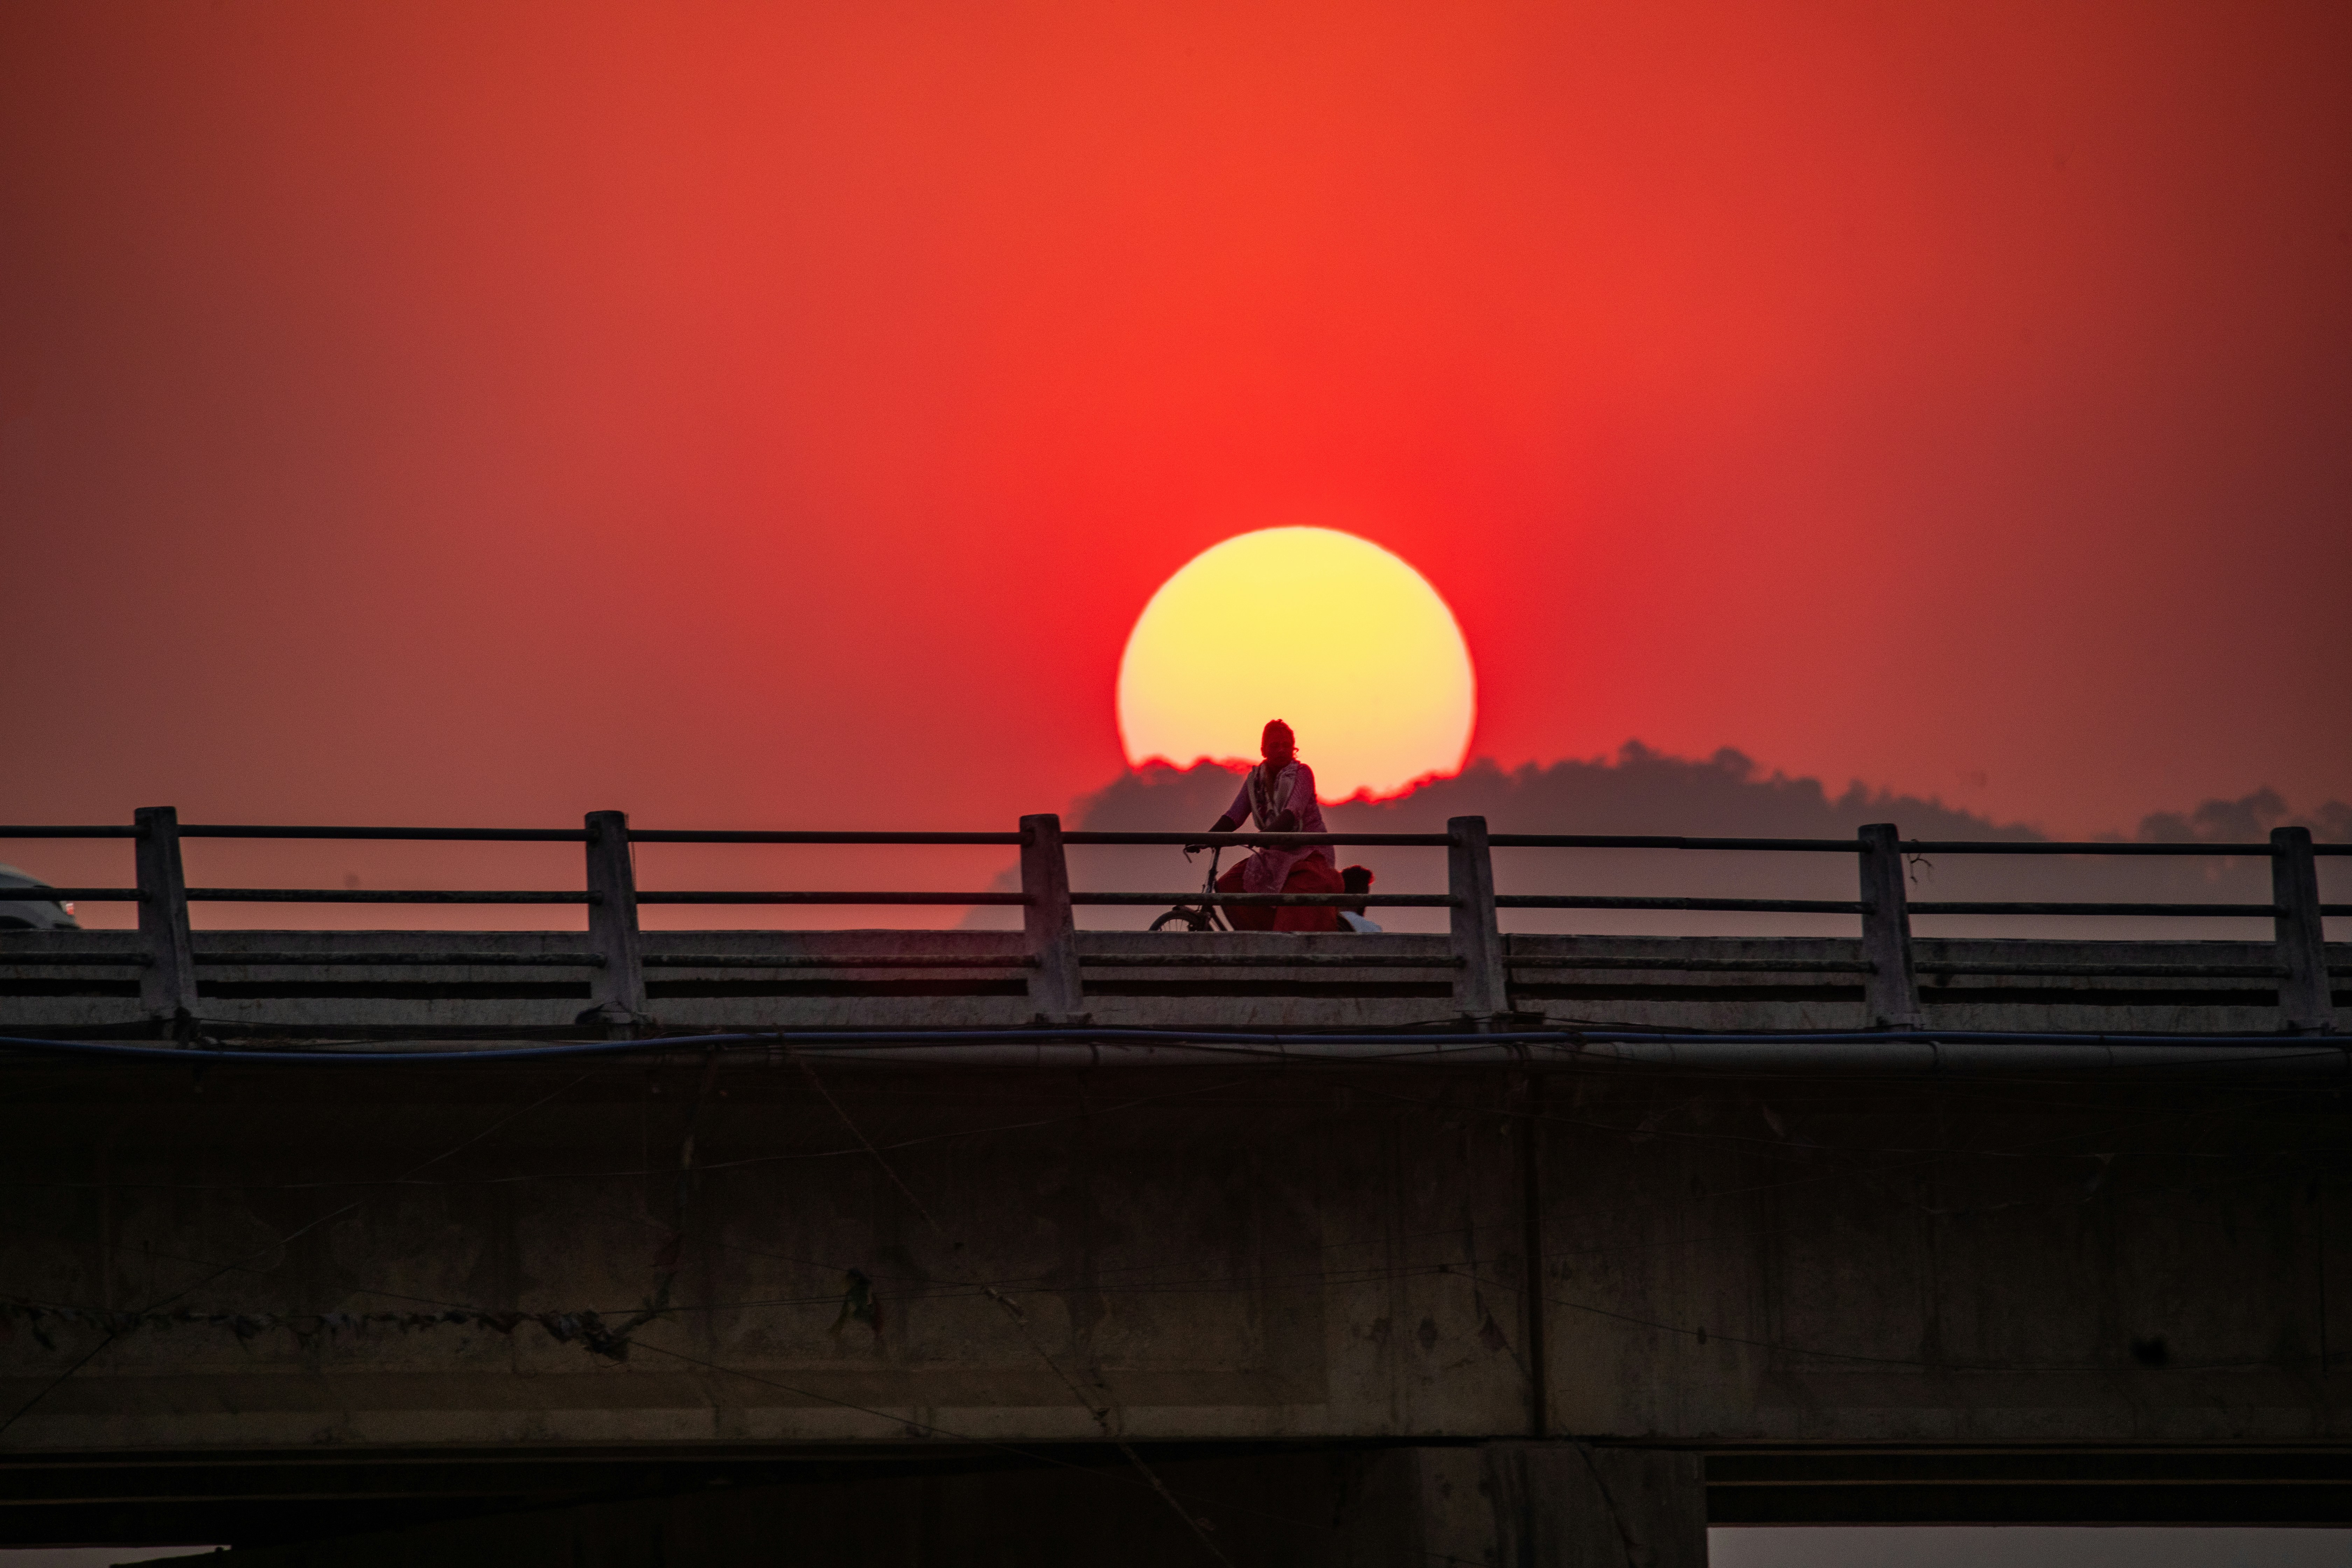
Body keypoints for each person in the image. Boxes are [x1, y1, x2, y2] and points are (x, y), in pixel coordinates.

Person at [1200, 720, 1345, 932]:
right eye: (1275, 746)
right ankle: (1264, 937)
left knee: (1296, 897)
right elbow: (1234, 816)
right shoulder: (1255, 780)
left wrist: (1262, 838)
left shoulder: (1302, 774)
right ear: (1263, 750)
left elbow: (1291, 815)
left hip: (1308, 855)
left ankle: (1284, 945)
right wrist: (1205, 838)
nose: (1281, 750)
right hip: (1274, 856)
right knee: (1230, 885)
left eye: (1287, 745)